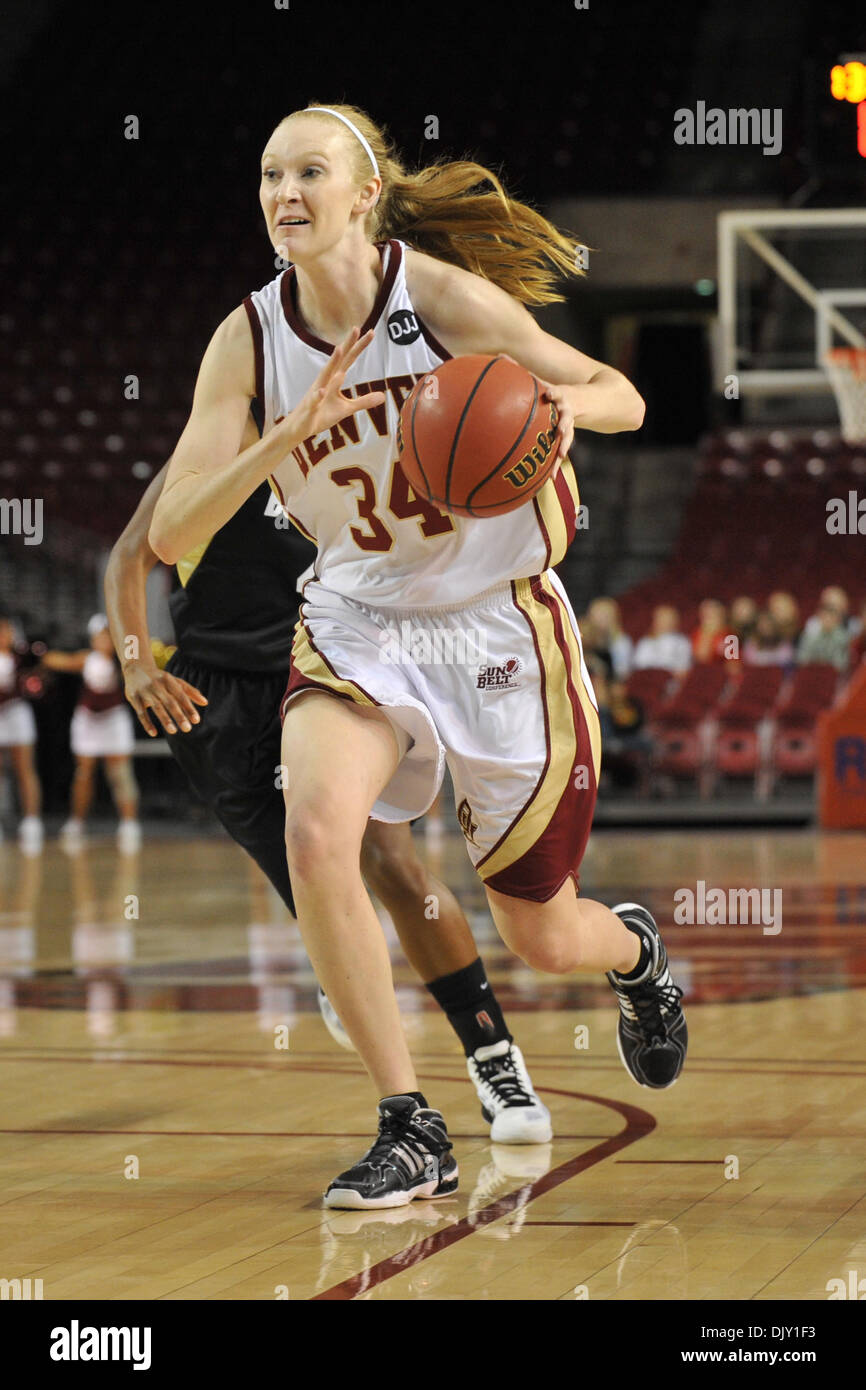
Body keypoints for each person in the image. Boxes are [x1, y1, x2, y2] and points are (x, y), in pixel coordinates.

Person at [149, 101, 687, 1209]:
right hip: (358, 619)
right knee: (315, 827)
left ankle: (631, 954)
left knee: (540, 933)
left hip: (495, 622)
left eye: (308, 172)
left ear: (363, 195)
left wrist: (546, 409)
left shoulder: (435, 298)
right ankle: (411, 1126)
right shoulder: (244, 340)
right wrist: (276, 441)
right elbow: (172, 531)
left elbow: (621, 394)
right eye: (266, 175)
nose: (283, 193)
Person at [105, 461, 552, 1144]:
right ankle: (335, 967)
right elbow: (130, 553)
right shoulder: (218, 438)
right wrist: (136, 661)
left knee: (392, 866)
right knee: (313, 875)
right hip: (214, 692)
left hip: (319, 668)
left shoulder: (354, 437)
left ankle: (493, 1053)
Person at [42, 615, 141, 851]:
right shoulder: (86, 659)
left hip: (114, 719)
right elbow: (54, 660)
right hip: (88, 721)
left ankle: (129, 824)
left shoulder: (124, 661)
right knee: (84, 773)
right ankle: (77, 822)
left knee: (120, 774)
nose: (104, 640)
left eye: (108, 635)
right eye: (100, 636)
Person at [0, 615, 44, 852]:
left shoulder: (22, 657)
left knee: (25, 769)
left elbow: (38, 680)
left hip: (16, 714)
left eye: (7, 631)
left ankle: (32, 821)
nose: (3, 635)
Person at [796, 595, 851, 672]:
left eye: (832, 616)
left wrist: (826, 666)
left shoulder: (843, 637)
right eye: (825, 616)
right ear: (819, 616)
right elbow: (801, 660)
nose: (828, 619)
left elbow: (842, 664)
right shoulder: (809, 635)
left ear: (838, 619)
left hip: (834, 675)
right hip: (811, 674)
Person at [632, 604, 692, 673]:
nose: (664, 622)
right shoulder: (645, 642)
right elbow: (638, 665)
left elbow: (683, 668)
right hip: (647, 678)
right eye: (661, 618)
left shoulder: (681, 642)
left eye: (668, 619)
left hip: (668, 679)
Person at [585, 597, 633, 678]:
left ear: (613, 617)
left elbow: (622, 673)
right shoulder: (586, 638)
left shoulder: (621, 641)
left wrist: (599, 666)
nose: (598, 619)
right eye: (595, 615)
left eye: (603, 615)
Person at [691, 598, 728, 664]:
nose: (707, 613)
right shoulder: (694, 633)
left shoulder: (730, 635)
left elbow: (734, 664)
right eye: (704, 611)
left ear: (721, 613)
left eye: (712, 610)